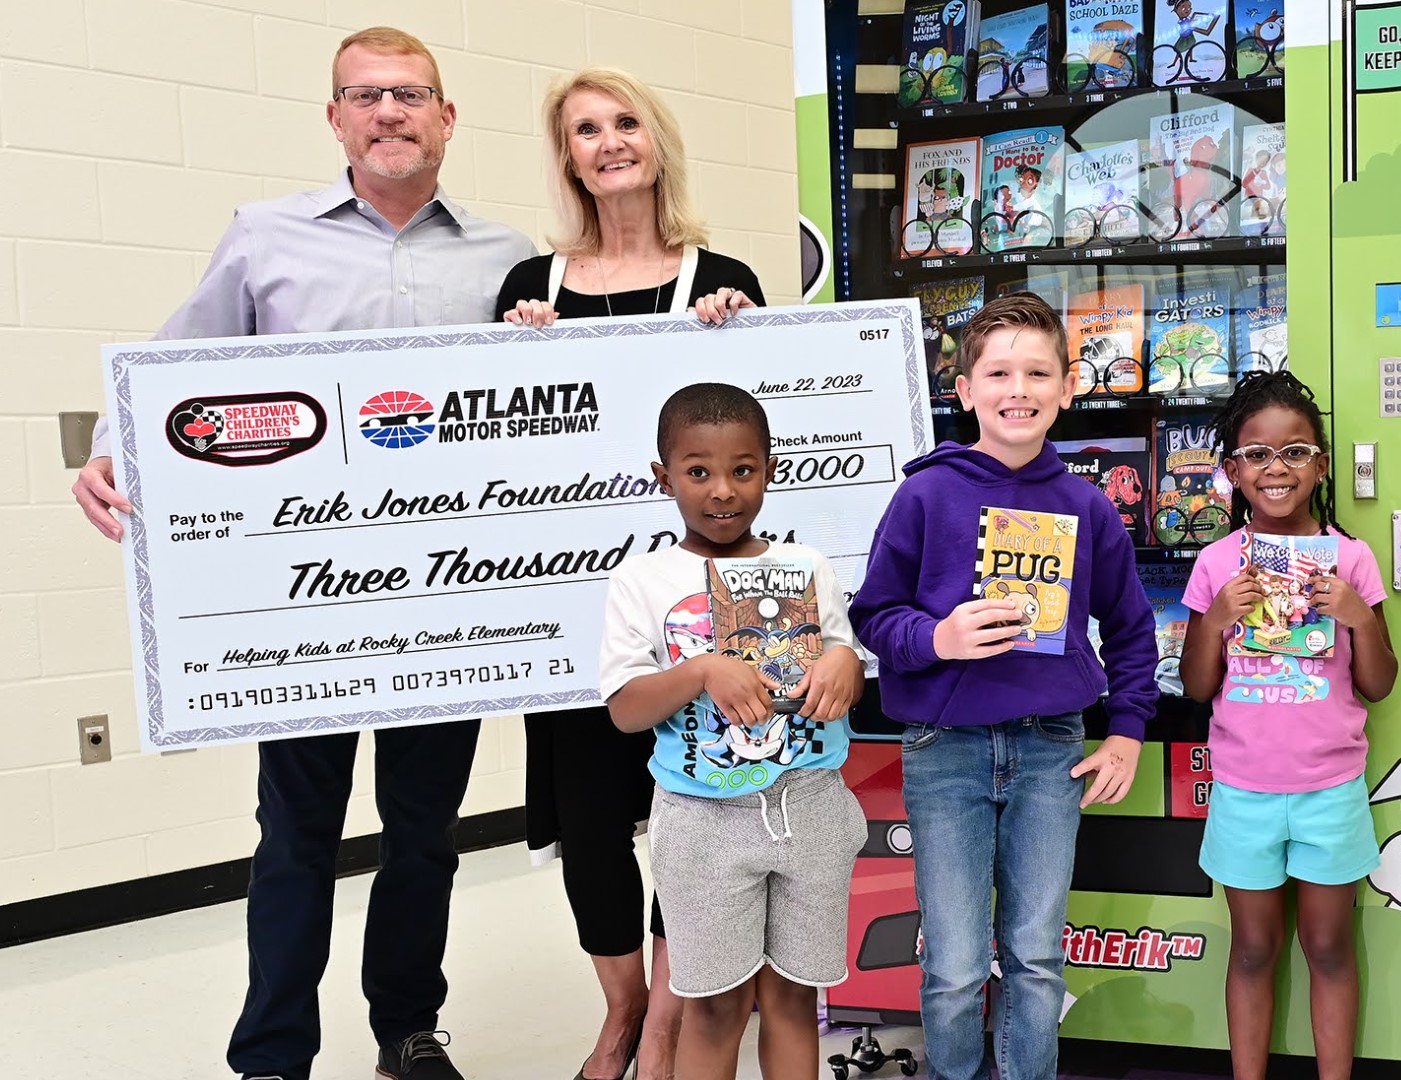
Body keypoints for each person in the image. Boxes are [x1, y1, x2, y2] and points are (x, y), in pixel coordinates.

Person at [69, 27, 535, 1080]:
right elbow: (172, 364)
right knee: (296, 839)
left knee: (424, 834)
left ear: (447, 117)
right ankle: (273, 1053)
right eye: (363, 96)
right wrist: (109, 450)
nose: (388, 113)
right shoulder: (263, 236)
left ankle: (406, 1032)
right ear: (334, 118)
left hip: (445, 600)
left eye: (410, 93)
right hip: (305, 605)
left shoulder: (510, 260)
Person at [490, 66, 766, 1080]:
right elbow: (490, 455)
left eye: (625, 123)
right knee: (593, 822)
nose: (609, 142)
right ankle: (623, 1007)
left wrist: (748, 336)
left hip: (699, 613)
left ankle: (663, 1030)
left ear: (658, 140)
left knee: (691, 812)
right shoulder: (531, 289)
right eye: (585, 130)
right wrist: (510, 356)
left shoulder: (723, 280)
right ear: (567, 155)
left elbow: (756, 428)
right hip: (575, 610)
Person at [849, 292, 1158, 1080]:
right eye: (998, 372)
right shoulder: (925, 494)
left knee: (1035, 955)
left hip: (1051, 749)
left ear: (1067, 386)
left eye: (1036, 372)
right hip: (943, 752)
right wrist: (937, 638)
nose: (1017, 388)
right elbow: (873, 615)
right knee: (952, 964)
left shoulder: (1087, 506)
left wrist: (1125, 731)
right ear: (964, 390)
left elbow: (1129, 629)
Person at [599, 383, 867, 1080]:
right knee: (713, 1006)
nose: (722, 491)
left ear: (770, 469)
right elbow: (626, 709)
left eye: (742, 470)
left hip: (809, 808)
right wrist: (699, 673)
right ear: (664, 478)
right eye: (698, 472)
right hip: (702, 824)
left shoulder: (806, 567)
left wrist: (843, 663)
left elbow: (844, 661)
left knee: (793, 996)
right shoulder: (641, 580)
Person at [1178, 371, 1395, 1080]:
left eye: (1296, 452)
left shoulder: (1352, 561)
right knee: (1252, 949)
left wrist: (1358, 615)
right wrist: (1216, 619)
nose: (1278, 468)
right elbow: (1197, 686)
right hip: (1243, 788)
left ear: (1322, 465)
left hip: (1331, 787)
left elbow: (1380, 683)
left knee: (1330, 948)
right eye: (1259, 455)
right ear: (1233, 472)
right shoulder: (1216, 565)